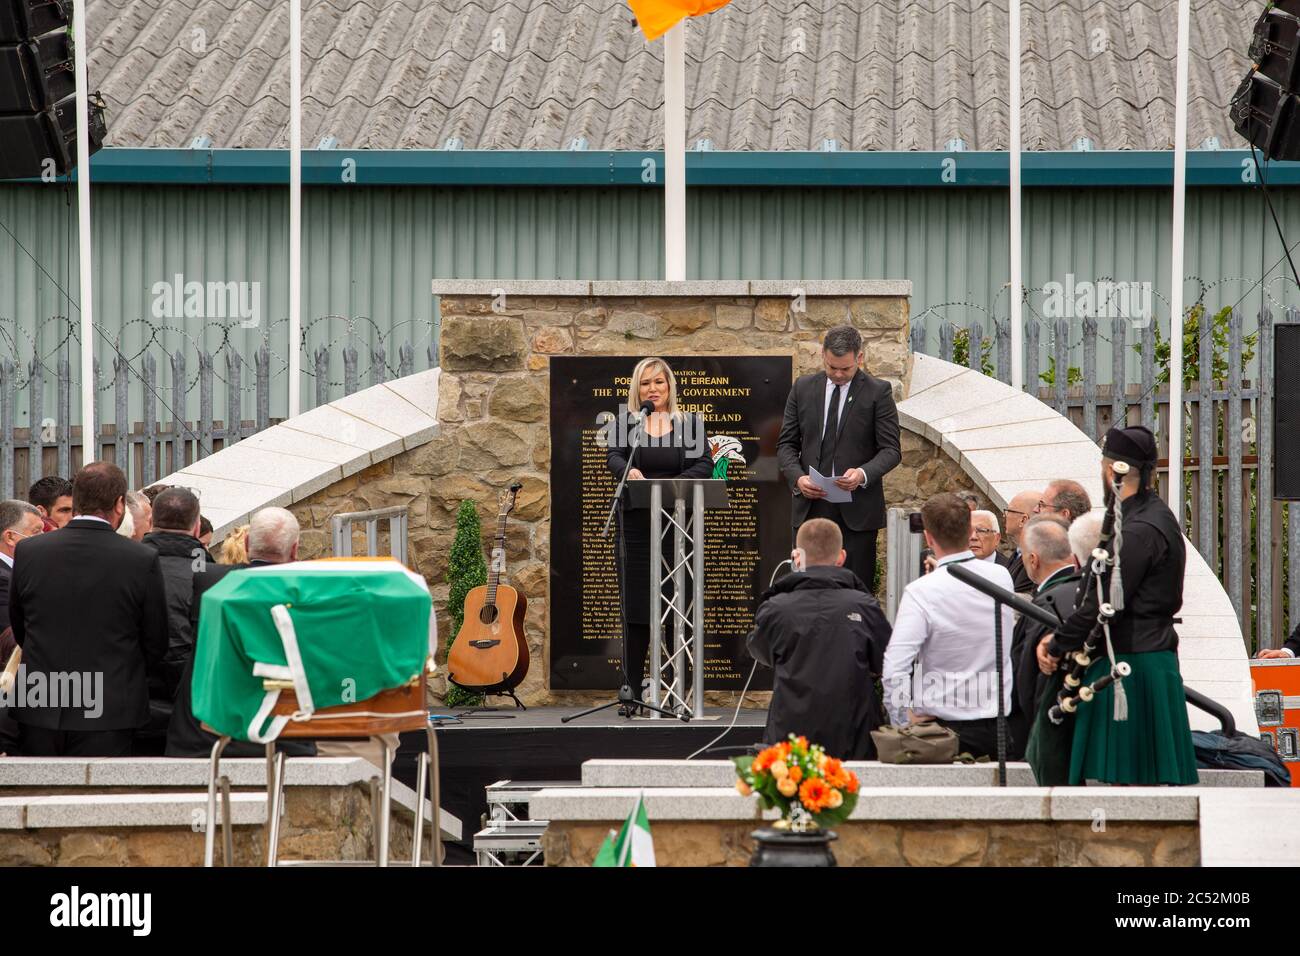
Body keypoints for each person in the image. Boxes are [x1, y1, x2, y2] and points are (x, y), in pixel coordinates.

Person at [1036, 425, 1198, 785]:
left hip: (1133, 665)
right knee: (1135, 788)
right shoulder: (1148, 516)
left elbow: (1102, 606)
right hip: (1142, 659)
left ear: (1112, 471)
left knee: (1128, 790)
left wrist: (1056, 644)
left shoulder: (1138, 530)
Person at [9, 462, 168, 757]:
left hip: (41, 699)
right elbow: (155, 639)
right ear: (119, 504)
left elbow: (21, 626)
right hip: (109, 704)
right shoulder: (140, 558)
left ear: (77, 500)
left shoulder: (30, 551)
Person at [604, 357, 713, 705]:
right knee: (637, 610)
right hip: (636, 527)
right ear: (637, 389)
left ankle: (676, 692)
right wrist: (629, 471)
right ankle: (631, 692)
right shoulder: (627, 423)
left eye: (659, 382)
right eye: (646, 383)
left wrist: (670, 487)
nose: (653, 389)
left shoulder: (689, 424)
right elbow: (614, 457)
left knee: (676, 607)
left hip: (678, 527)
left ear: (669, 386)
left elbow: (705, 465)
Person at [166, 507, 314, 759]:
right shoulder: (306, 592)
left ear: (246, 544)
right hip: (284, 735)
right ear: (294, 550)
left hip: (203, 735)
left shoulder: (210, 581)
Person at [883, 493, 1015, 759]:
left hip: (940, 729)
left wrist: (902, 720)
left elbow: (895, 667)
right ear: (969, 532)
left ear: (928, 538)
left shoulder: (921, 591)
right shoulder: (1001, 576)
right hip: (996, 725)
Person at [746, 518, 892, 759]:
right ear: (841, 557)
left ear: (797, 557)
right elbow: (885, 660)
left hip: (791, 735)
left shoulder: (777, 608)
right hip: (854, 732)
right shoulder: (864, 606)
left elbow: (760, 651)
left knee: (794, 784)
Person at [778, 325, 901, 589]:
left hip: (856, 512)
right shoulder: (802, 388)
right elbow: (786, 445)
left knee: (855, 588)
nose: (837, 374)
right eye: (831, 367)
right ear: (823, 354)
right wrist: (798, 478)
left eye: (845, 369)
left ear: (860, 358)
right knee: (805, 588)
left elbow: (891, 450)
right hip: (810, 508)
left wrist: (862, 474)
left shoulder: (878, 392)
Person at [1008, 516, 1081, 758]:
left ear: (1033, 560)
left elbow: (1026, 677)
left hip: (1047, 728)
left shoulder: (1043, 607)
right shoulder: (1089, 592)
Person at [140, 487, 206, 744]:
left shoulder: (121, 568)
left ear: (151, 521)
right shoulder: (211, 577)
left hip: (127, 708)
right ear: (197, 527)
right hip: (192, 713)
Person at [0, 500, 42, 755]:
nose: (43, 539)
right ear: (10, 537)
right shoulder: (4, 579)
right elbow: (12, 635)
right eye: (36, 532)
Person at [1002, 490, 1041, 593]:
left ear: (1023, 520)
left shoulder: (1034, 559)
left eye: (1008, 511)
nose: (1004, 515)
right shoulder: (1019, 553)